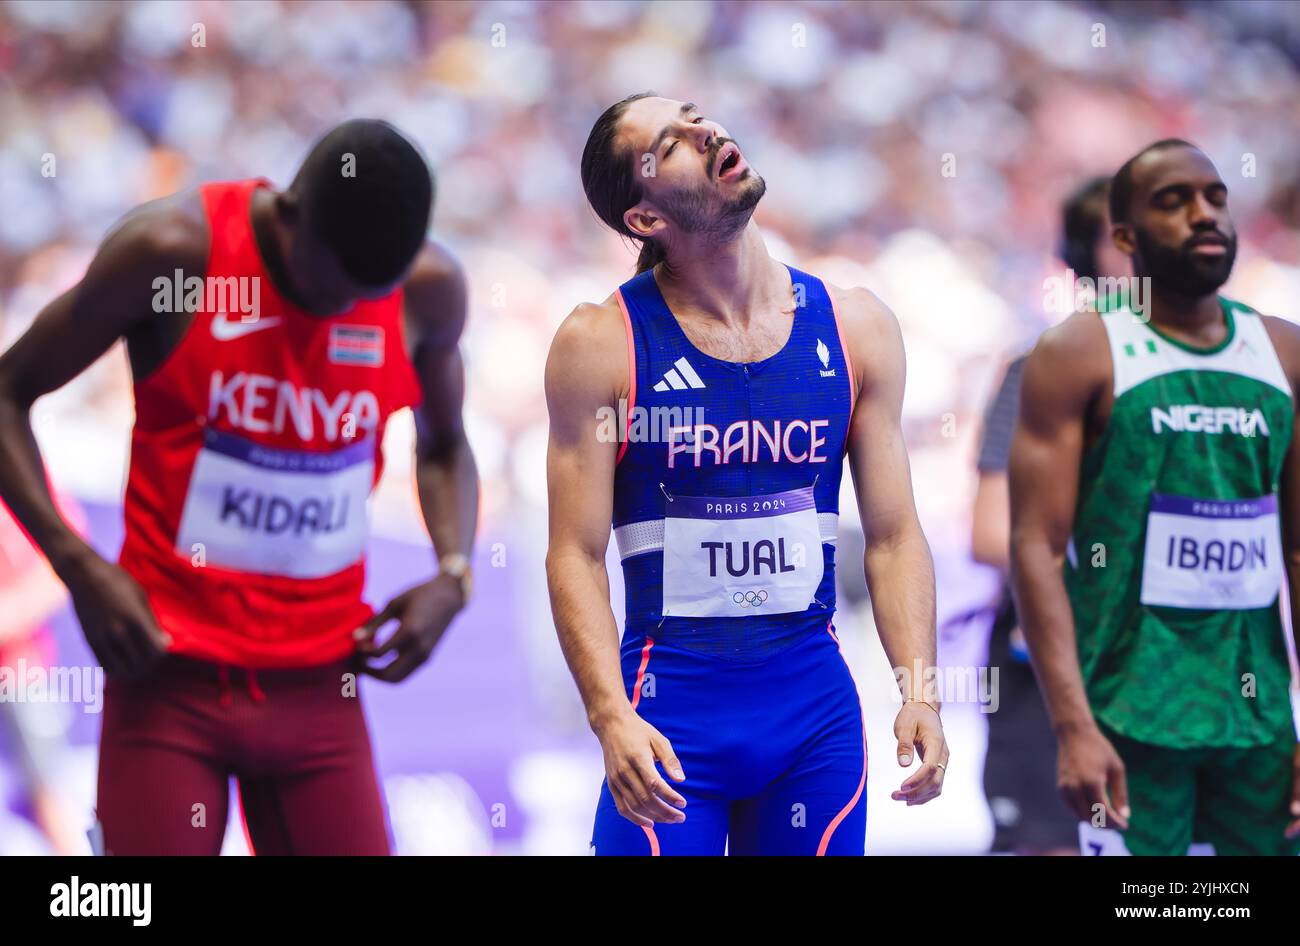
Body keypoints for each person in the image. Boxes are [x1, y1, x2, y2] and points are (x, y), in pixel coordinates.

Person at [0, 119, 479, 855]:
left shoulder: (430, 290)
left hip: (322, 683)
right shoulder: (172, 254)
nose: (337, 311)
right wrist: (80, 566)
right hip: (166, 674)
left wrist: (454, 571)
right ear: (289, 216)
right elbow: (8, 394)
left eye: (365, 294)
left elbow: (445, 445)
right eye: (328, 285)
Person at [546, 93, 946, 856]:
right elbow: (573, 552)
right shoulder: (599, 343)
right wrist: (608, 715)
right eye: (668, 144)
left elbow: (893, 535)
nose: (703, 130)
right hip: (666, 731)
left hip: (814, 728)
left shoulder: (857, 325)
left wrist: (919, 690)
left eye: (695, 115)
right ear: (645, 219)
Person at [1010, 139, 1300, 855]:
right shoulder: (1076, 352)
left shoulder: (1285, 353)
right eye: (1174, 201)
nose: (1204, 214)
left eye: (1215, 198)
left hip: (1257, 722)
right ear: (1125, 238)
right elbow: (1034, 549)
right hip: (1127, 720)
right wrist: (1074, 726)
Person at [973, 177, 1125, 855]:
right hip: (1044, 666)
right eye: (1124, 235)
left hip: (1161, 671)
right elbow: (988, 531)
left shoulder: (1220, 378)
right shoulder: (1039, 369)